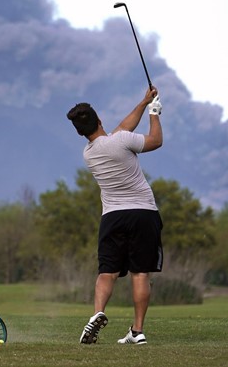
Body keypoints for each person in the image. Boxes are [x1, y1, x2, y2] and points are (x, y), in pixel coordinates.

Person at [67, 86, 163, 346]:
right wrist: (154, 111)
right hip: (144, 213)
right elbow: (155, 141)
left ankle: (98, 313)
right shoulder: (121, 141)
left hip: (113, 217)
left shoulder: (89, 154)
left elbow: (121, 129)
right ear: (99, 121)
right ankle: (138, 330)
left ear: (80, 132)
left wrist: (143, 102)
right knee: (140, 273)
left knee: (107, 272)